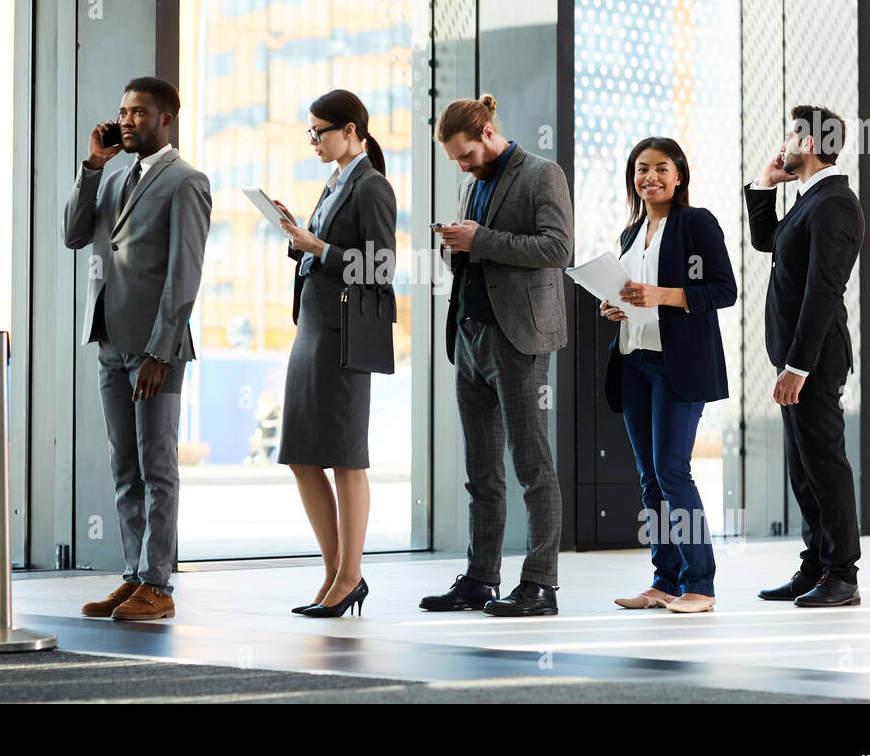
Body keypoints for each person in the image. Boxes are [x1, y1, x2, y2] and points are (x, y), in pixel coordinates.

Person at [62, 76, 212, 621]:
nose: (126, 121)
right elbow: (74, 235)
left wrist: (161, 351)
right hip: (108, 340)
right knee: (124, 465)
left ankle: (160, 585)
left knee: (157, 465)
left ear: (166, 119)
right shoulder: (114, 176)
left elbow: (184, 273)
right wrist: (91, 168)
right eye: (123, 111)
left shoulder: (187, 181)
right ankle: (133, 576)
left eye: (139, 113)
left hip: (156, 351)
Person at [420, 94, 574, 617]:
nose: (462, 167)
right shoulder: (471, 183)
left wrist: (480, 239)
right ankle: (481, 578)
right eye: (456, 161)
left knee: (532, 465)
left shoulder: (541, 173)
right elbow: (478, 252)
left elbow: (558, 250)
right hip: (469, 337)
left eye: (465, 155)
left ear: (487, 133)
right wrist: (455, 244)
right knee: (481, 472)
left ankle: (540, 585)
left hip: (519, 339)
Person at [271, 90, 397, 618]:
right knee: (301, 454)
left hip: (345, 334)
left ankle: (350, 576)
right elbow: (329, 255)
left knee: (345, 455)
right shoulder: (334, 184)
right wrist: (300, 238)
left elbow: (381, 268)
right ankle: (332, 572)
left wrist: (317, 248)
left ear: (351, 130)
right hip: (314, 327)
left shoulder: (371, 185)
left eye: (320, 131)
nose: (314, 140)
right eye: (311, 132)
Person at [599, 137, 736, 614]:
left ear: (679, 174)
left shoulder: (696, 223)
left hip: (676, 365)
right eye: (641, 169)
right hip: (634, 360)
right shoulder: (631, 233)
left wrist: (662, 295)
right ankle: (665, 580)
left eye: (661, 168)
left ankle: (701, 585)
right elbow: (634, 294)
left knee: (673, 472)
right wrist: (616, 306)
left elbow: (723, 290)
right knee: (650, 479)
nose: (650, 177)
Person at [745, 104, 865, 608]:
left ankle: (842, 574)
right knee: (803, 466)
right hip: (796, 358)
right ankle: (815, 564)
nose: (785, 142)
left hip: (811, 361)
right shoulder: (810, 198)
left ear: (810, 144)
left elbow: (823, 292)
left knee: (824, 464)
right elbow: (766, 241)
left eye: (792, 134)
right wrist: (765, 185)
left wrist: (798, 367)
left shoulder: (835, 203)